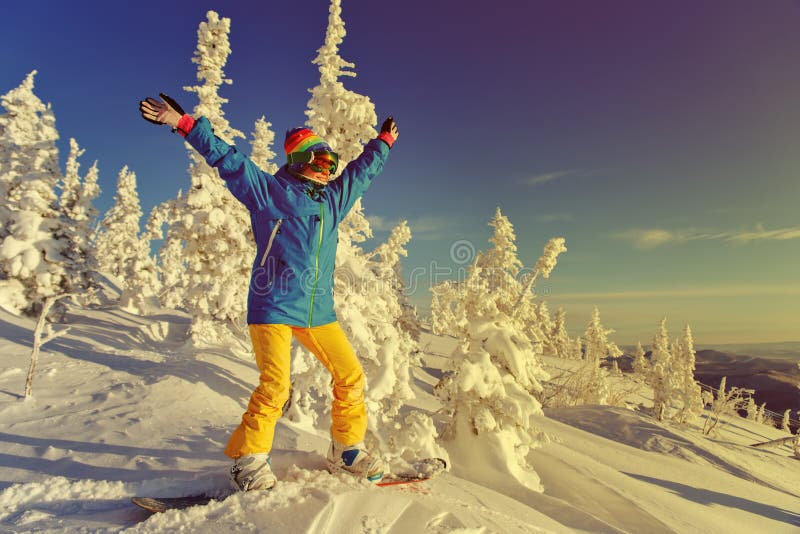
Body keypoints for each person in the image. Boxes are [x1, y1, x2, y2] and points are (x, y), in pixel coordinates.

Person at [139, 93, 399, 491]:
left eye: (332, 162)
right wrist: (185, 124)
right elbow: (230, 160)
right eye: (321, 161)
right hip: (273, 305)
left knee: (350, 376)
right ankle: (249, 462)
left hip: (317, 312)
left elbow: (360, 174)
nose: (329, 169)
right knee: (276, 386)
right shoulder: (270, 193)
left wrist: (381, 145)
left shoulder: (332, 200)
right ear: (300, 162)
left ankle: (347, 450)